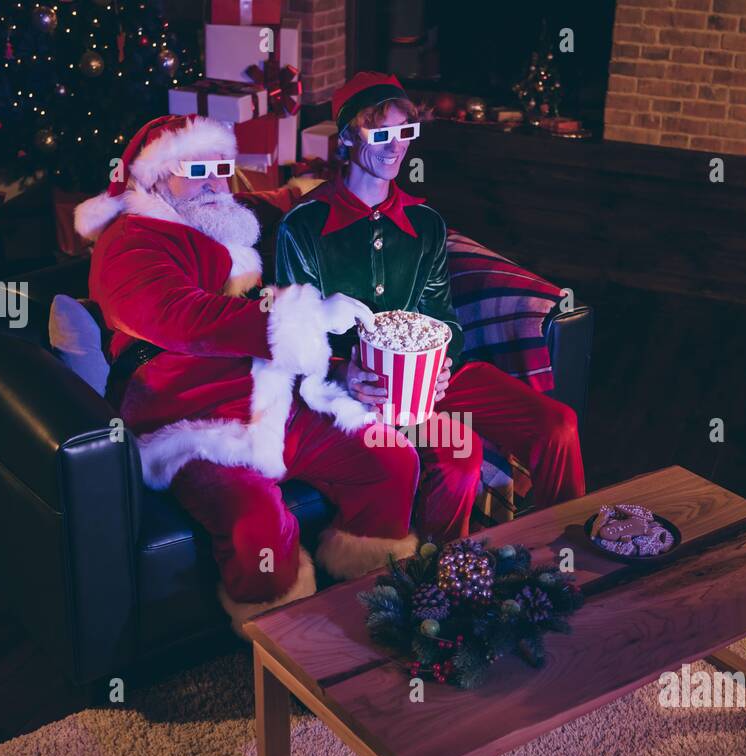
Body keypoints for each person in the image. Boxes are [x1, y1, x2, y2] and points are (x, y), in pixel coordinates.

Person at [74, 114, 419, 629]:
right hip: (190, 420)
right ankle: (283, 648)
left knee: (392, 462)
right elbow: (183, 316)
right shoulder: (131, 241)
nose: (215, 181)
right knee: (257, 525)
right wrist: (312, 313)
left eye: (221, 167)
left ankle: (373, 608)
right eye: (196, 168)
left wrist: (337, 368)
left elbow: (263, 312)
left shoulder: (220, 230)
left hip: (273, 401)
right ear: (153, 178)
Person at [276, 73, 586, 541]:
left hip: (435, 379)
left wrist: (444, 362)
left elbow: (443, 316)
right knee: (460, 462)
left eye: (405, 133)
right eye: (380, 134)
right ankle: (439, 582)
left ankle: (569, 554)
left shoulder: (425, 224)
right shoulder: (302, 227)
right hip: (360, 392)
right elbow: (289, 334)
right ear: (345, 137)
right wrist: (341, 372)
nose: (395, 148)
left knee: (557, 424)